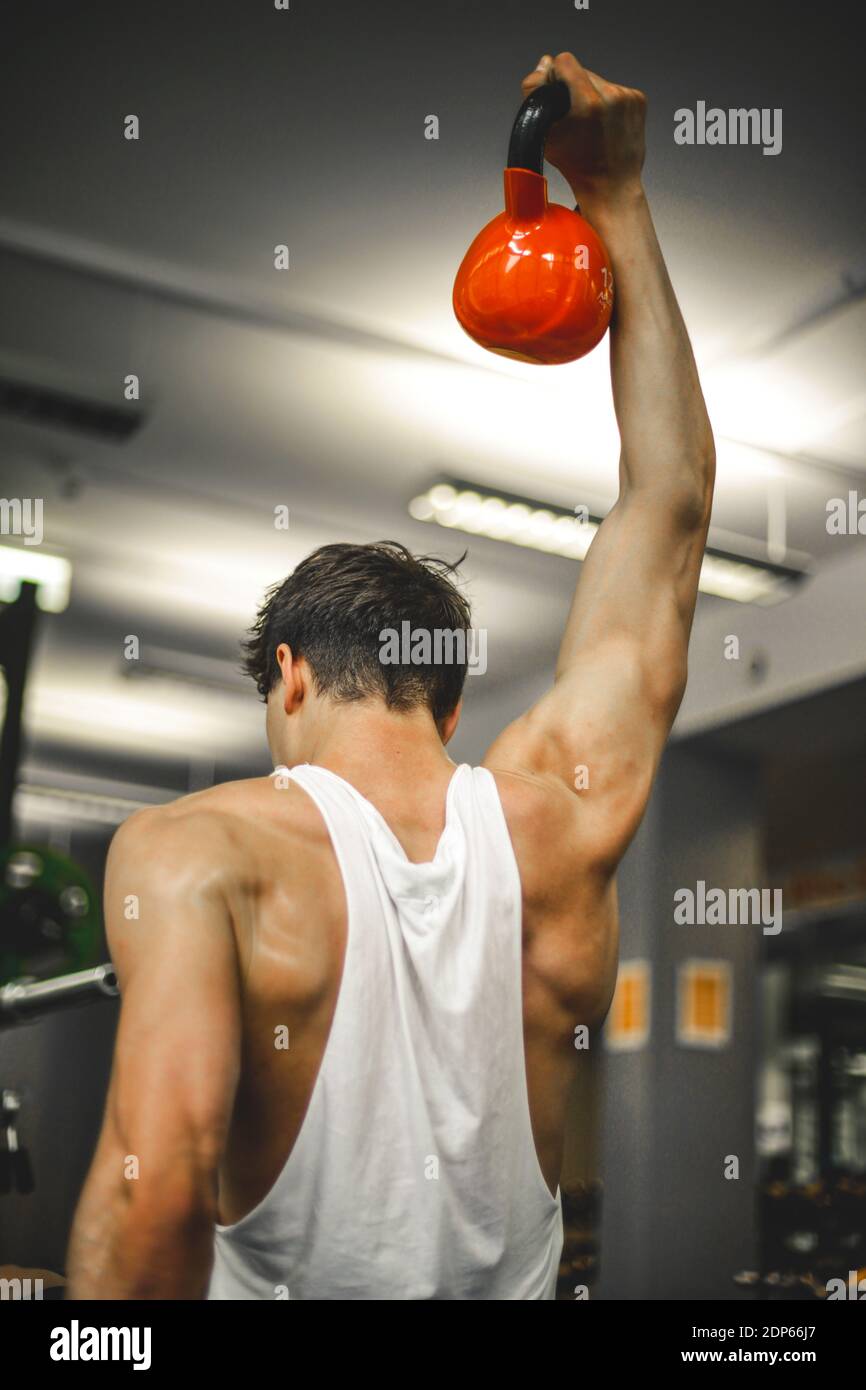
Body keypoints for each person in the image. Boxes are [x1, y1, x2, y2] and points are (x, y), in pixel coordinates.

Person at [67, 51, 715, 1300]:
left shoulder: (192, 849)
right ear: (451, 700)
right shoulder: (560, 820)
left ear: (293, 678)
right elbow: (669, 507)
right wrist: (620, 199)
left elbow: (156, 1181)